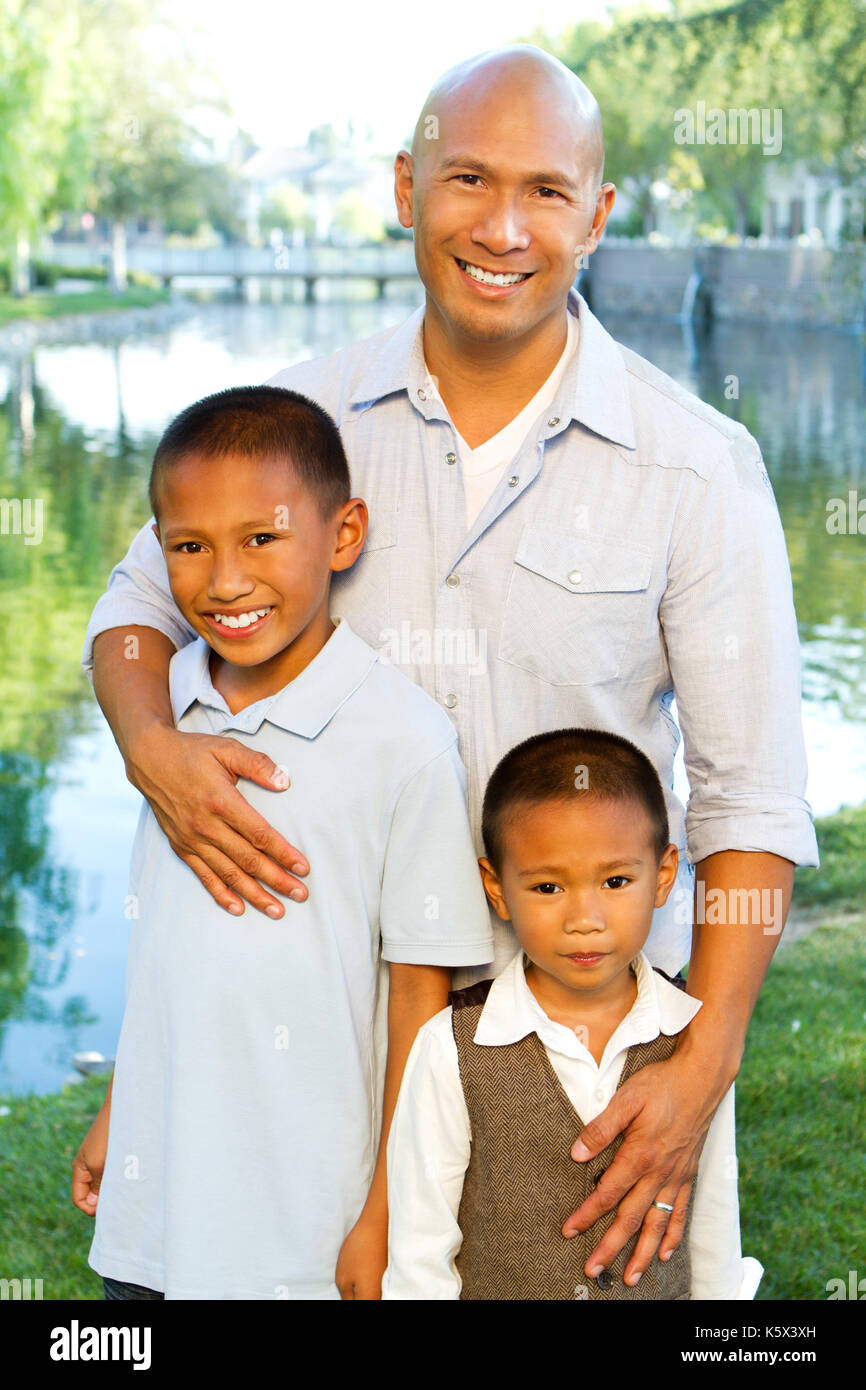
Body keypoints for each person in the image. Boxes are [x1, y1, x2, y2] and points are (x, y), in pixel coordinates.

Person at [79, 45, 818, 1287]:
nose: (503, 226)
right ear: (404, 186)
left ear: (597, 214)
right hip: (322, 1015)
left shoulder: (700, 468)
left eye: (544, 189)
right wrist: (152, 747)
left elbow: (748, 800)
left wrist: (705, 1058)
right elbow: (133, 606)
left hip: (567, 1041)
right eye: (468, 178)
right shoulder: (292, 423)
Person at [71, 385, 494, 1300]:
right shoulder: (169, 723)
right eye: (189, 546)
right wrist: (121, 1110)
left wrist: (388, 1214)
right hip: (156, 1219)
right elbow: (169, 958)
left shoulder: (405, 742)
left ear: (343, 536)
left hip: (305, 1231)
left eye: (260, 539)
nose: (223, 581)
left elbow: (420, 1007)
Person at [382, 728, 764, 1300]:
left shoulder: (692, 1038)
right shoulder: (450, 1047)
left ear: (662, 876)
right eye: (548, 886)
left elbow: (711, 1218)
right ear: (498, 888)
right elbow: (420, 1249)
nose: (584, 917)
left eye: (615, 881)